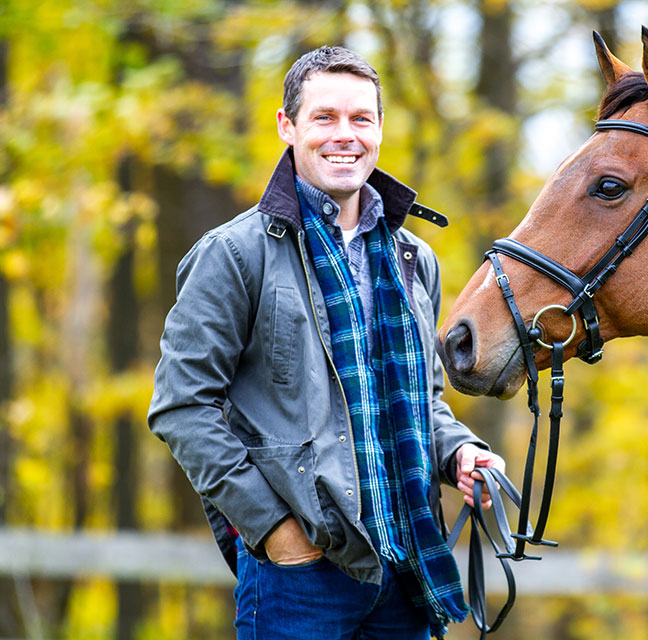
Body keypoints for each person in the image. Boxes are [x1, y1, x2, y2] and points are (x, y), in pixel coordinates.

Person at [147, 45, 505, 639]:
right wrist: (277, 532)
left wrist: (459, 453)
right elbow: (182, 407)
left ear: (381, 130)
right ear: (288, 127)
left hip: (407, 567)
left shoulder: (415, 259)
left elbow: (422, 402)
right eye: (325, 118)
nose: (346, 135)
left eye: (361, 119)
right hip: (301, 577)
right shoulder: (235, 254)